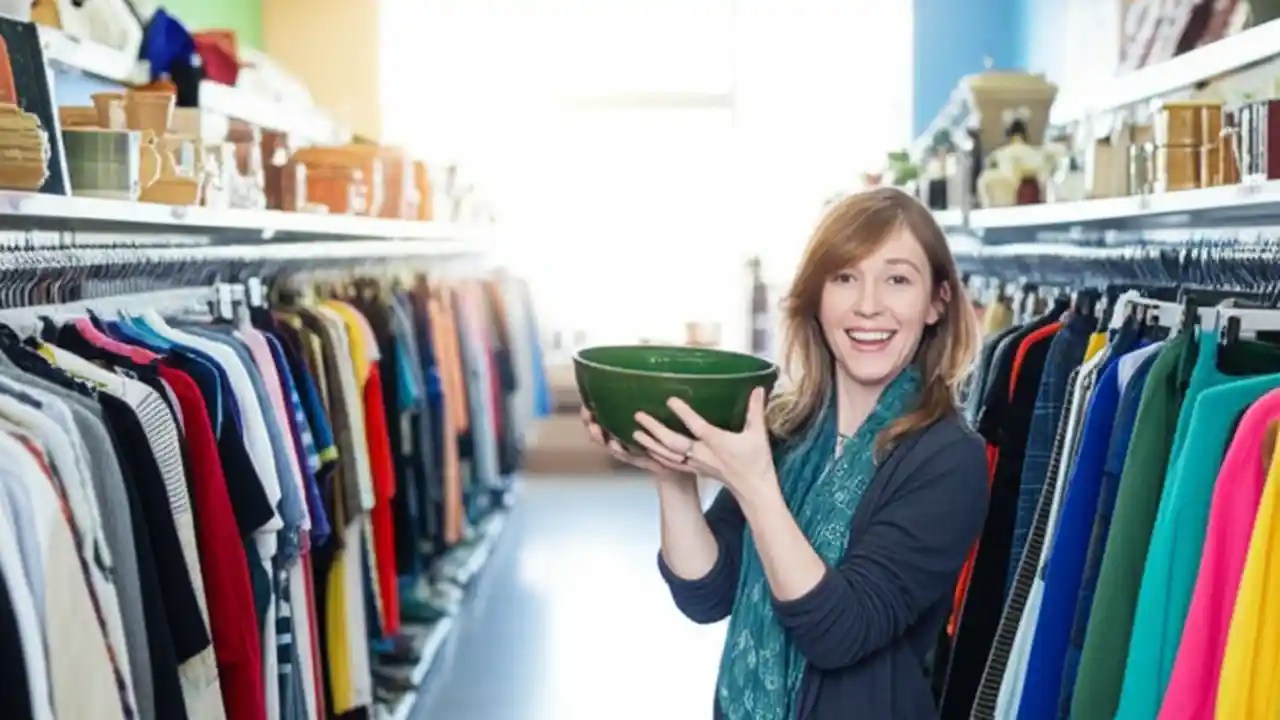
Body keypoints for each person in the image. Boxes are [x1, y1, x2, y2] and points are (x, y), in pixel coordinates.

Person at [581, 187, 991, 719]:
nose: (868, 305)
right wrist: (673, 477)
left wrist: (754, 485)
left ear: (937, 302)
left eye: (897, 279)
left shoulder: (948, 459)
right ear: (816, 300)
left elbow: (839, 633)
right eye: (845, 277)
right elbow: (707, 593)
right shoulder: (784, 427)